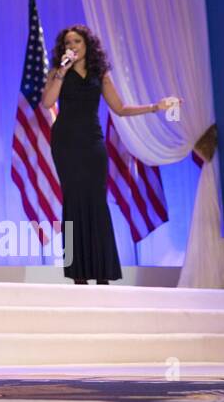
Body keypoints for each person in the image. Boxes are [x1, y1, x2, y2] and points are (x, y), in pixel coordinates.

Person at [40, 25, 179, 285]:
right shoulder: (57, 73)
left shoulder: (100, 74)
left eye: (77, 41)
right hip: (66, 143)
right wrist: (61, 72)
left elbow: (120, 108)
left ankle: (102, 272)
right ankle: (78, 274)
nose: (73, 46)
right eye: (68, 42)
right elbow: (48, 103)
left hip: (92, 143)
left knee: (95, 201)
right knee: (74, 202)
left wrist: (155, 107)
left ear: (87, 44)